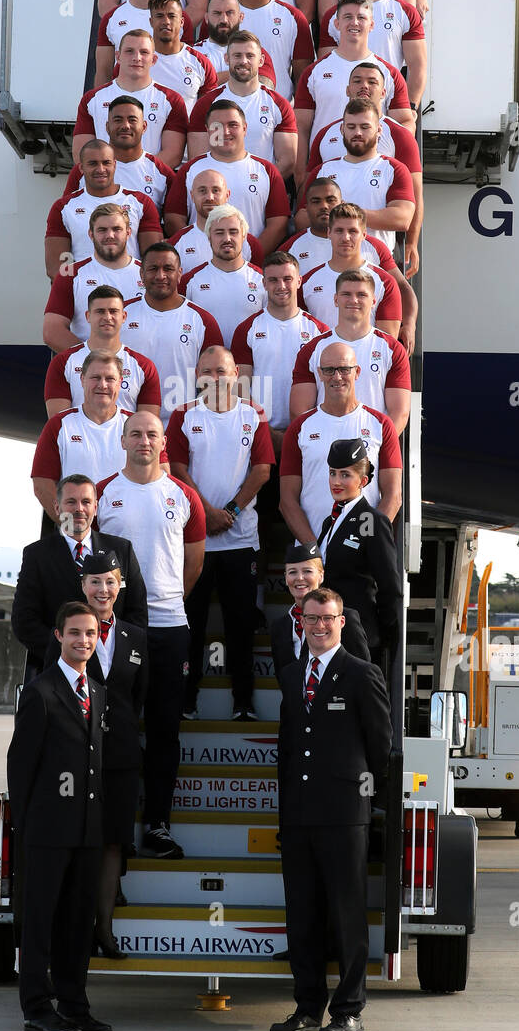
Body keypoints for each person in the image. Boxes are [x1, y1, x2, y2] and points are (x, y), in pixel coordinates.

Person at [270, 586, 391, 1031]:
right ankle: (306, 1008)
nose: (319, 626)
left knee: (346, 914)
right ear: (300, 620)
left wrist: (372, 805)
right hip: (299, 815)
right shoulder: (290, 673)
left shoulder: (362, 674)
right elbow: (287, 745)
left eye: (328, 618)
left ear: (342, 622)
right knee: (302, 914)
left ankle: (349, 1011)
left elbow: (380, 748)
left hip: (344, 815)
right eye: (311, 617)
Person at [96, 412, 206, 859]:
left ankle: (157, 825)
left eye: (153, 434)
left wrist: (165, 600)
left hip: (169, 628)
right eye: (136, 433)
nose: (144, 440)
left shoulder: (183, 497)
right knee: (113, 730)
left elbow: (194, 563)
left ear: (165, 444)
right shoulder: (103, 494)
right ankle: (111, 832)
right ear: (122, 439)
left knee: (164, 730)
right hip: (118, 630)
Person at [7, 600, 110, 1031]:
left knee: (77, 921)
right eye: (74, 633)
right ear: (58, 636)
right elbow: (20, 767)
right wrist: (27, 829)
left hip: (87, 831)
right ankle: (36, 1007)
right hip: (48, 831)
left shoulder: (98, 691)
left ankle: (74, 1003)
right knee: (40, 921)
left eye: (89, 633)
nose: (83, 640)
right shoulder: (41, 692)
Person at [166, 345, 274, 720]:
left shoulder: (252, 416)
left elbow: (262, 471)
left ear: (236, 376)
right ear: (197, 375)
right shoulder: (182, 416)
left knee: (240, 625)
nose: (216, 377)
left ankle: (243, 703)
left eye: (223, 371)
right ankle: (186, 701)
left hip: (240, 540)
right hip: (195, 540)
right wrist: (205, 514)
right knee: (190, 625)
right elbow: (176, 468)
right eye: (208, 371)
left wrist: (229, 512)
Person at [11, 473, 148, 677]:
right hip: (58, 673)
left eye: (86, 502)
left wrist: (116, 653)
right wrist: (68, 651)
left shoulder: (121, 550)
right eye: (71, 502)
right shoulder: (36, 555)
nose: (79, 509)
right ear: (57, 508)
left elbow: (137, 612)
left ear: (96, 507)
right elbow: (24, 621)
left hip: (114, 673)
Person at [81, 552, 148, 959]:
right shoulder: (70, 630)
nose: (103, 590)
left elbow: (137, 698)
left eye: (110, 582)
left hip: (120, 754)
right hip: (76, 753)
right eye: (95, 582)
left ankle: (104, 930)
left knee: (111, 845)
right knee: (80, 842)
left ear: (120, 586)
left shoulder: (136, 637)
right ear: (82, 587)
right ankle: (77, 930)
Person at [280, 339, 403, 534]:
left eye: (344, 369)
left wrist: (367, 541)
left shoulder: (381, 425)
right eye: (329, 370)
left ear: (357, 372)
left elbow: (393, 496)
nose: (337, 377)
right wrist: (312, 548)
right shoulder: (300, 427)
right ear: (319, 374)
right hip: (313, 554)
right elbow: (287, 501)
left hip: (362, 553)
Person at [294, 0, 412, 185]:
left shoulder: (389, 73)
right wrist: (300, 173)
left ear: (372, 24)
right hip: (327, 173)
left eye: (361, 17)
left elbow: (404, 122)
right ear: (336, 23)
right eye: (348, 17)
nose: (354, 22)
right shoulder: (314, 72)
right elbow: (300, 126)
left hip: (374, 174)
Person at [291, 269, 411, 435]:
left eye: (361, 295)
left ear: (374, 301)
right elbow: (300, 412)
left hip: (371, 449)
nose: (354, 300)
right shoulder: (313, 349)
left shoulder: (391, 349)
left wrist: (374, 447)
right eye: (346, 294)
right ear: (335, 300)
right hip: (324, 448)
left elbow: (400, 413)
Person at [317, 439, 402, 674]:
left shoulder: (372, 520)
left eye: (345, 475)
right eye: (333, 473)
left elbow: (389, 586)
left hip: (358, 637)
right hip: (328, 635)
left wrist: (381, 638)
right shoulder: (330, 522)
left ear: (363, 481)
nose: (336, 481)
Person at [164, 101, 290, 251]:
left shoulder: (267, 170)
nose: (225, 131)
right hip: (201, 262)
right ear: (208, 130)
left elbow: (278, 224)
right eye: (217, 126)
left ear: (244, 128)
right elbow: (174, 218)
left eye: (233, 125)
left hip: (248, 264)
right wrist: (200, 250)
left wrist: (251, 254)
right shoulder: (190, 169)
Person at [121, 241, 223, 422]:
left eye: (168, 268)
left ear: (179, 273)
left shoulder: (203, 321)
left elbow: (215, 382)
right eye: (153, 269)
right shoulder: (121, 315)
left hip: (183, 425)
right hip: (128, 425)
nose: (161, 275)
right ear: (141, 274)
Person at [31, 353, 139, 522]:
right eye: (95, 377)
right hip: (78, 536)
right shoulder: (59, 425)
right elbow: (42, 484)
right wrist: (69, 526)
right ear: (82, 380)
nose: (102, 385)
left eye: (110, 379)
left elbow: (158, 478)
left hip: (127, 533)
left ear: (120, 382)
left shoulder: (138, 425)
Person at [232, 251, 327, 437]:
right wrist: (265, 431)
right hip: (260, 431)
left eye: (287, 279)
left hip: (308, 430)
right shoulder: (246, 329)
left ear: (299, 281)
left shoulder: (319, 331)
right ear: (264, 283)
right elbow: (241, 388)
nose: (281, 286)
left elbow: (324, 386)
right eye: (274, 280)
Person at [319, 0, 427, 111]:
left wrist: (410, 107)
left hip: (387, 108)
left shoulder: (404, 11)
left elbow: (417, 65)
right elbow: (327, 68)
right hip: (344, 111)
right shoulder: (333, 15)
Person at [303, 98, 415, 252]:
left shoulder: (394, 169)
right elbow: (301, 218)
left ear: (379, 129)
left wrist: (343, 214)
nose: (357, 133)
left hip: (374, 263)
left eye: (365, 127)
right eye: (351, 127)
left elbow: (402, 218)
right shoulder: (322, 170)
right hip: (327, 260)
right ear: (342, 129)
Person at [44, 139, 162, 278]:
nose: (100, 169)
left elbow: (153, 259)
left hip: (131, 289)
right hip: (86, 290)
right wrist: (75, 289)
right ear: (81, 168)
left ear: (115, 165)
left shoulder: (140, 202)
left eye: (106, 163)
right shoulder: (64, 207)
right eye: (93, 163)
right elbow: (57, 268)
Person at [187, 30, 297, 176]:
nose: (243, 61)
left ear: (261, 60)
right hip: (216, 193)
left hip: (260, 190)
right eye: (237, 55)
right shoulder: (206, 104)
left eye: (250, 55)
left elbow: (287, 161)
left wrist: (260, 185)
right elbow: (197, 159)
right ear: (227, 59)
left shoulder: (278, 104)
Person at [72, 30, 187, 167]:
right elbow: (80, 153)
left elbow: (173, 154)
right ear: (118, 56)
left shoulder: (172, 100)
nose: (137, 57)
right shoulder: (92, 99)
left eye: (144, 52)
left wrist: (135, 176)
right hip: (103, 183)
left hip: (148, 184)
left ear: (154, 59)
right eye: (129, 51)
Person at [43, 284, 161, 418]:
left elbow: (148, 426)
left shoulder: (144, 367)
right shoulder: (63, 363)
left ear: (124, 316)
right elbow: (59, 425)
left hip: (125, 439)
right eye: (100, 311)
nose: (107, 317)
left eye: (113, 311)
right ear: (88, 316)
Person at [43, 203, 144, 351]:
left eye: (117, 229)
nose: (110, 235)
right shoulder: (71, 274)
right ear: (91, 234)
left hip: (140, 370)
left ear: (128, 233)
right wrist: (93, 361)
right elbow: (52, 331)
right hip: (92, 371)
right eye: (102, 230)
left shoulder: (148, 274)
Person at [270, 540, 371, 675]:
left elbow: (362, 674)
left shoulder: (345, 619)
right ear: (286, 578)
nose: (300, 578)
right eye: (292, 572)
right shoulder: (279, 627)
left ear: (321, 576)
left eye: (307, 571)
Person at [94, 0, 194, 86]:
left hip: (168, 95)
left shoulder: (179, 18)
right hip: (126, 98)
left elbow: (186, 62)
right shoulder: (111, 18)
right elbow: (103, 71)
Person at [299, 216, 403, 338]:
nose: (345, 237)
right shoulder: (307, 282)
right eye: (339, 230)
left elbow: (386, 345)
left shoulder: (385, 282)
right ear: (329, 233)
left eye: (352, 231)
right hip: (321, 356)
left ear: (364, 234)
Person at [234, 0, 315, 101]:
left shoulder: (294, 18)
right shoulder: (222, 16)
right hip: (229, 110)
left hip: (277, 111)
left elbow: (302, 77)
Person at [179, 206, 267, 347]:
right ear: (209, 237)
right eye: (219, 233)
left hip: (249, 366)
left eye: (233, 232)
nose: (227, 239)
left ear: (244, 236)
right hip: (205, 366)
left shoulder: (263, 280)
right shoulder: (189, 281)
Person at [169, 167, 263, 269]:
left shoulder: (249, 243)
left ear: (227, 195)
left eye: (216, 190)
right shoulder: (177, 242)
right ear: (192, 196)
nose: (210, 197)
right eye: (202, 191)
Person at [146, 0, 217, 112]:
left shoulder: (200, 63)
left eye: (172, 16)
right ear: (151, 22)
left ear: (182, 22)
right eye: (159, 16)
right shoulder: (136, 60)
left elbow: (207, 113)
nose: (166, 21)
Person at [192, 0, 277, 87]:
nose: (223, 20)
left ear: (241, 17)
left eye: (229, 13)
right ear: (206, 18)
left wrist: (207, 79)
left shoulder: (256, 51)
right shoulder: (193, 54)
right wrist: (244, 74)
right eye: (217, 13)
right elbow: (190, 88)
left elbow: (265, 86)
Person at [280, 175, 341, 271]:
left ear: (342, 204)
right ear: (306, 208)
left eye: (330, 200)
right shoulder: (290, 248)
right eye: (316, 201)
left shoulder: (367, 244)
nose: (324, 206)